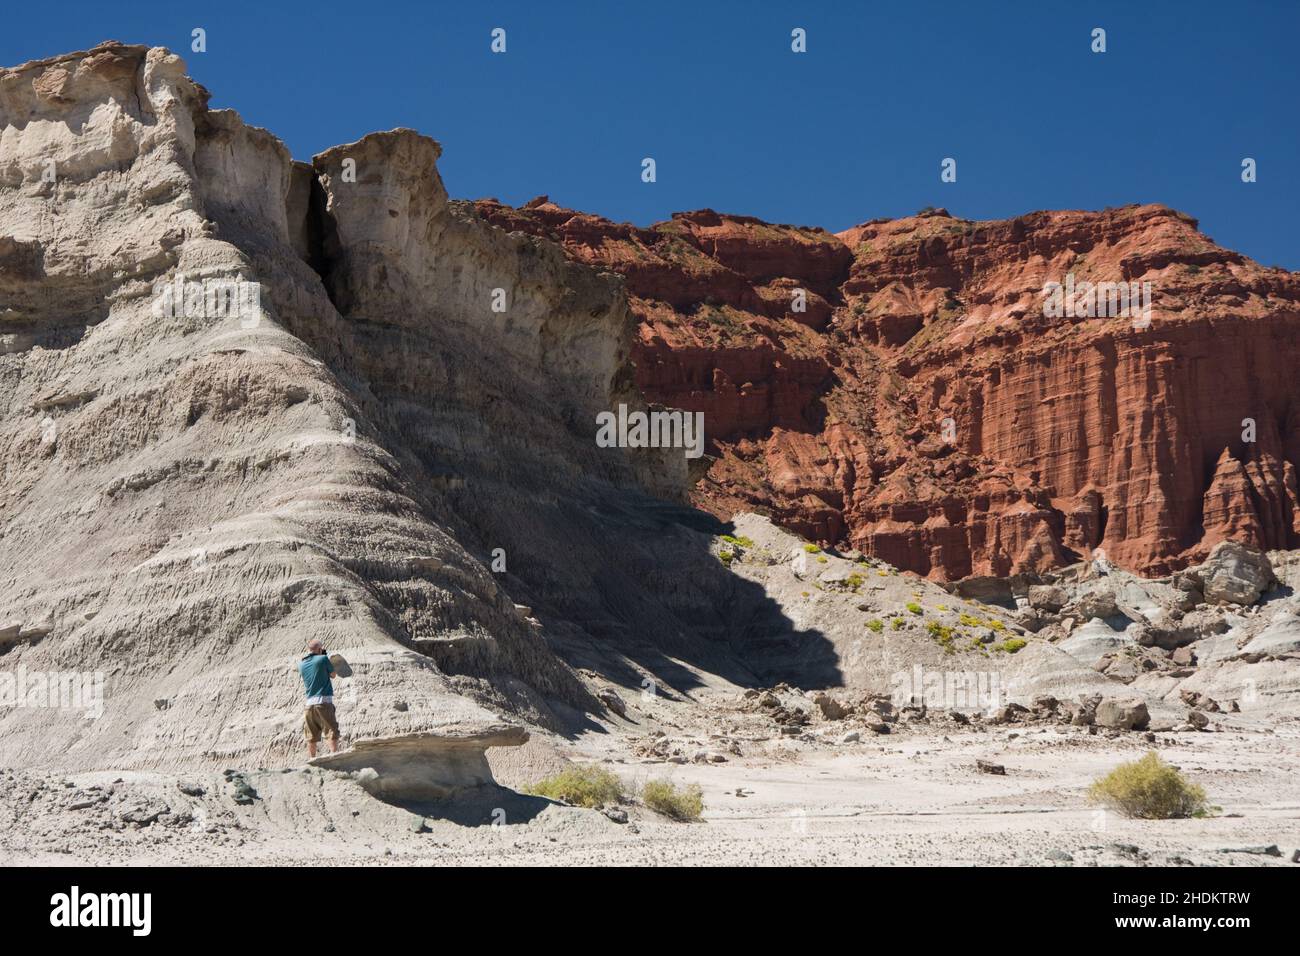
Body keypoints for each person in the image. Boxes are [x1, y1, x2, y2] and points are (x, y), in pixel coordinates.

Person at [298, 639, 341, 757]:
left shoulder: (301, 664)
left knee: (311, 736)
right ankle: (334, 756)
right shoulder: (323, 659)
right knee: (332, 731)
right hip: (323, 702)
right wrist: (324, 658)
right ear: (319, 649)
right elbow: (333, 675)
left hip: (309, 705)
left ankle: (312, 759)